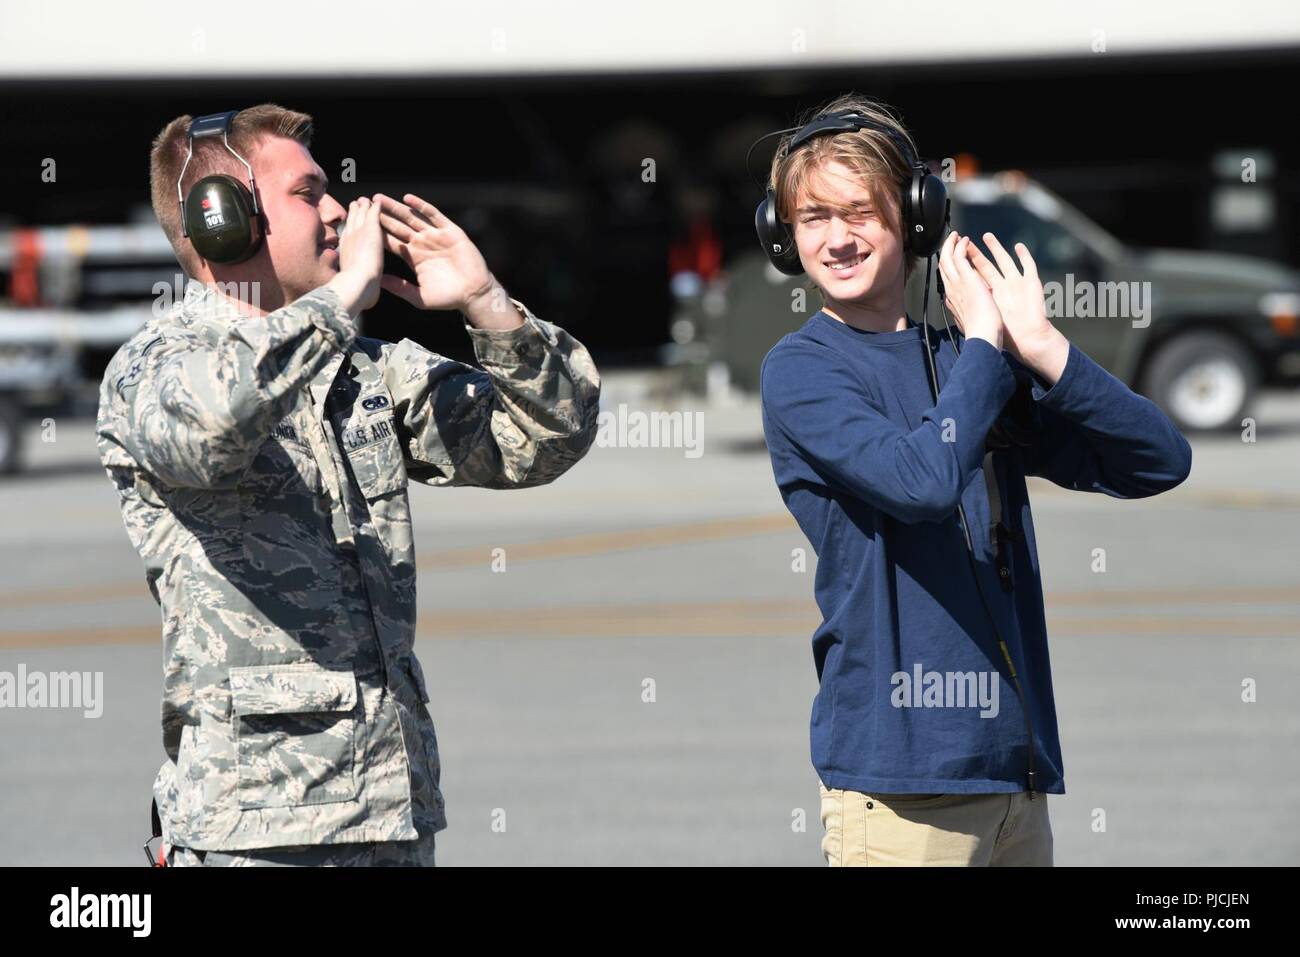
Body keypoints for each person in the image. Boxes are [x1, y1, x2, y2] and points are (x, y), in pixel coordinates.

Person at [96, 104, 601, 866]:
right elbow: (211, 431)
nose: (339, 210)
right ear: (223, 218)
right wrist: (341, 299)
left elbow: (545, 439)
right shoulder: (155, 367)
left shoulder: (362, 370)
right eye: (308, 192)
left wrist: (486, 304)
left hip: (391, 818)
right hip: (257, 833)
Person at [757, 94, 1192, 866]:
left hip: (1013, 781)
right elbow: (921, 482)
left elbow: (1157, 459)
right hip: (901, 792)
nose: (837, 237)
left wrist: (1046, 347)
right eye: (813, 217)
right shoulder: (802, 370)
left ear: (916, 218)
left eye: (860, 211)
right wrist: (989, 347)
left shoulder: (966, 358)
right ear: (784, 234)